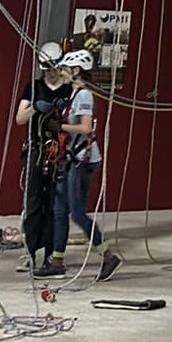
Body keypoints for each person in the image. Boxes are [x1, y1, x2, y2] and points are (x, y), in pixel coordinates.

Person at [39, 48, 121, 282]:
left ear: (76, 71)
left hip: (82, 161)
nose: (62, 72)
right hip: (71, 159)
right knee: (59, 210)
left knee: (76, 212)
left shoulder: (84, 95)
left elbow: (86, 128)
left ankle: (108, 256)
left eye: (65, 68)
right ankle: (57, 260)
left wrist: (61, 128)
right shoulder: (73, 95)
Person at [13, 39, 69, 273]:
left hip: (61, 152)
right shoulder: (33, 88)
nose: (51, 73)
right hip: (37, 151)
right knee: (33, 202)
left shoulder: (68, 89)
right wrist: (37, 106)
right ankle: (30, 251)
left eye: (54, 68)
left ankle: (51, 254)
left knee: (54, 205)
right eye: (47, 69)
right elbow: (20, 119)